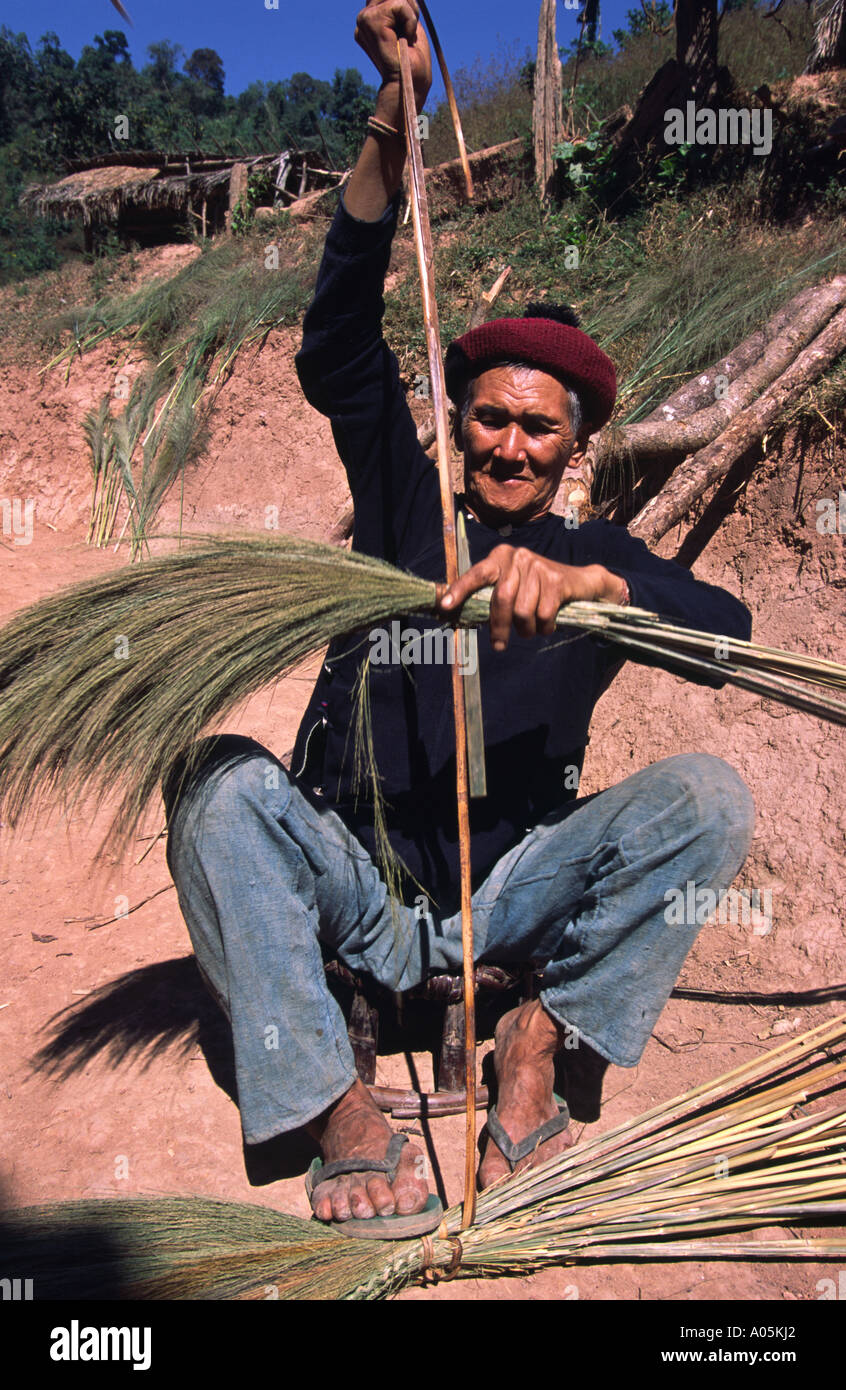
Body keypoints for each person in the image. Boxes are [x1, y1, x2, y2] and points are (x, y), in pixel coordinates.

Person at [163, 0, 756, 1237]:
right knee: (213, 785)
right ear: (460, 419)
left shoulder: (595, 556)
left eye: (540, 426)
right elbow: (335, 344)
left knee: (711, 796)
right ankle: (336, 1104)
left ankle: (536, 1041)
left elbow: (733, 630)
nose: (511, 444)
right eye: (490, 415)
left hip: (516, 886)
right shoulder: (401, 503)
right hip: (361, 882)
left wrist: (606, 595)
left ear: (575, 444)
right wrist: (396, 109)